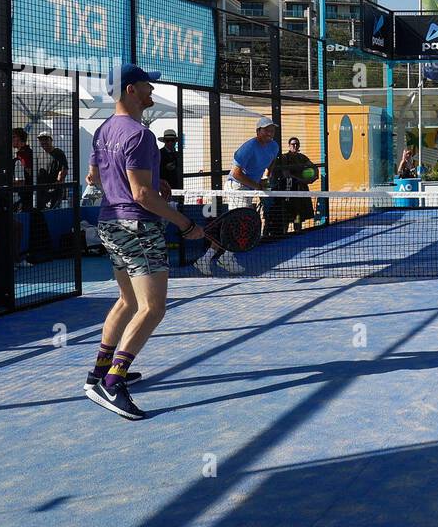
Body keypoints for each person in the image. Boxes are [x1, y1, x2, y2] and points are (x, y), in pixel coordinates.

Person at [85, 63, 205, 420]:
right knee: (153, 308)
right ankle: (113, 381)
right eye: (146, 86)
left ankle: (98, 373)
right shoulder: (139, 135)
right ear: (131, 90)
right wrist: (184, 224)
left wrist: (150, 187)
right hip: (137, 226)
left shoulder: (103, 129)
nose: (152, 91)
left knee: (126, 301)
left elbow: (95, 176)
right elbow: (140, 195)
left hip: (110, 223)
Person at [196, 116, 279, 276]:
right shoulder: (248, 147)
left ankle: (223, 257)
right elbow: (236, 173)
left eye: (272, 129)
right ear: (258, 131)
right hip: (236, 187)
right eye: (267, 129)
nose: (270, 132)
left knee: (239, 225)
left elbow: (271, 162)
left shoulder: (273, 146)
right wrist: (257, 186)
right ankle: (212, 259)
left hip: (249, 189)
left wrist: (267, 176)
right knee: (236, 224)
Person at [268, 136, 318, 237]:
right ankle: (283, 235)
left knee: (298, 215)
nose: (295, 146)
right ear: (289, 146)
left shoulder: (302, 157)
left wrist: (314, 177)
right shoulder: (284, 157)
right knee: (286, 215)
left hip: (301, 191)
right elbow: (286, 174)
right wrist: (302, 180)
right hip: (288, 191)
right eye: (293, 144)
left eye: (297, 144)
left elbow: (313, 167)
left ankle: (297, 234)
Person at [35, 133, 69, 209]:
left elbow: (64, 169)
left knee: (53, 212)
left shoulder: (58, 153)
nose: (43, 142)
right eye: (41, 140)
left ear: (51, 140)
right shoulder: (39, 155)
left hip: (55, 190)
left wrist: (57, 183)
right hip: (42, 190)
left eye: (46, 139)